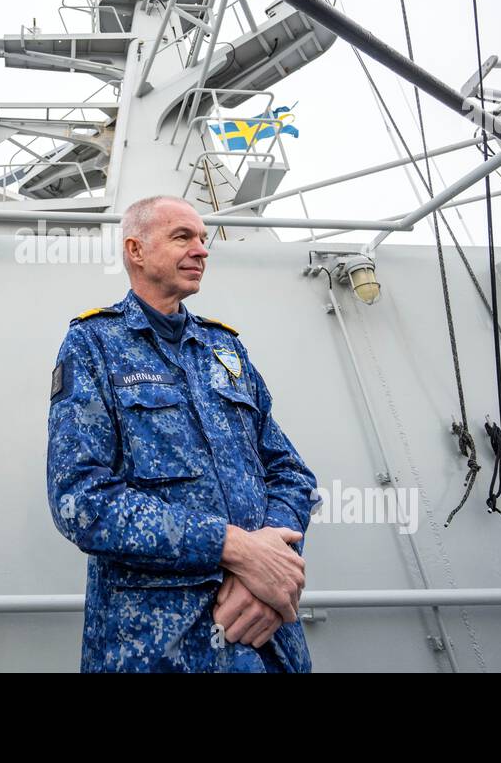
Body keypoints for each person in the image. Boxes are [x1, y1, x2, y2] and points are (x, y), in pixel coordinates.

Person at [47, 195, 318, 672]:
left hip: (266, 639)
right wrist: (231, 546)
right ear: (136, 250)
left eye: (203, 239)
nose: (201, 250)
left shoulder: (225, 347)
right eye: (183, 237)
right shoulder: (93, 344)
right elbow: (80, 501)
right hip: (160, 647)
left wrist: (267, 569)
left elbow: (290, 472)